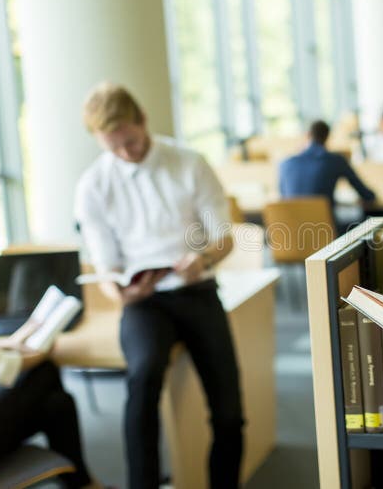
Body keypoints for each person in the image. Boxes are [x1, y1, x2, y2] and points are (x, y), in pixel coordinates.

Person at [74, 82, 243, 489]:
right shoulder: (93, 185)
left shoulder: (189, 162)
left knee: (228, 409)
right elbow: (106, 265)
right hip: (143, 302)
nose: (126, 154)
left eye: (130, 142)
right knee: (143, 378)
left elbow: (225, 238)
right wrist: (122, 293)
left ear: (143, 120)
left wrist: (201, 259)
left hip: (196, 290)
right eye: (113, 148)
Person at [0, 195, 97, 488]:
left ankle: (83, 483)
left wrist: (14, 340)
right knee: (46, 374)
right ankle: (84, 484)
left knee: (57, 403)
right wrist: (46, 345)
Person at [279, 120, 377, 231]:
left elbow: (284, 198)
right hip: (325, 232)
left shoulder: (285, 164)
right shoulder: (336, 160)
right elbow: (367, 195)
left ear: (307, 135)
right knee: (363, 221)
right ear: (327, 137)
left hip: (291, 236)